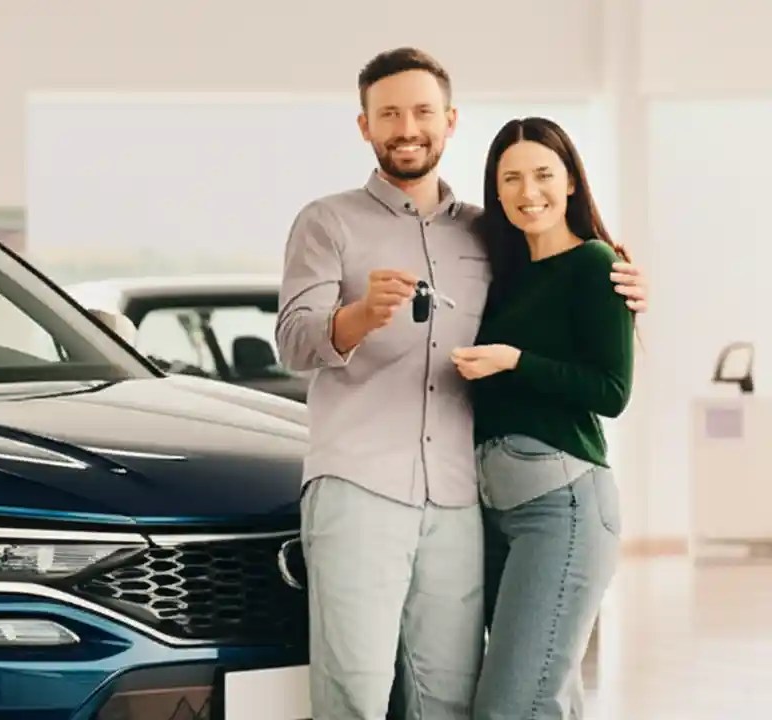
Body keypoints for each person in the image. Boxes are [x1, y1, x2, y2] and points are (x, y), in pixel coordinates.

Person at [274, 47, 648, 720]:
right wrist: (360, 315)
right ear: (365, 126)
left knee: (450, 697)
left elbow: (560, 291)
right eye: (388, 113)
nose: (406, 126)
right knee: (356, 693)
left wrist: (621, 285)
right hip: (360, 484)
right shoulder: (326, 221)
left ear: (449, 123)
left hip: (457, 499)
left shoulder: (488, 233)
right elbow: (294, 340)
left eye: (421, 111)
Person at [450, 116, 633, 720]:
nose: (530, 192)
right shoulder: (501, 276)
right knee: (544, 695)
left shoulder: (594, 264)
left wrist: (514, 361)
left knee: (511, 705)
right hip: (493, 509)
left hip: (564, 507)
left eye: (544, 174)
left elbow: (611, 391)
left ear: (572, 181)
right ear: (495, 192)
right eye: (512, 179)